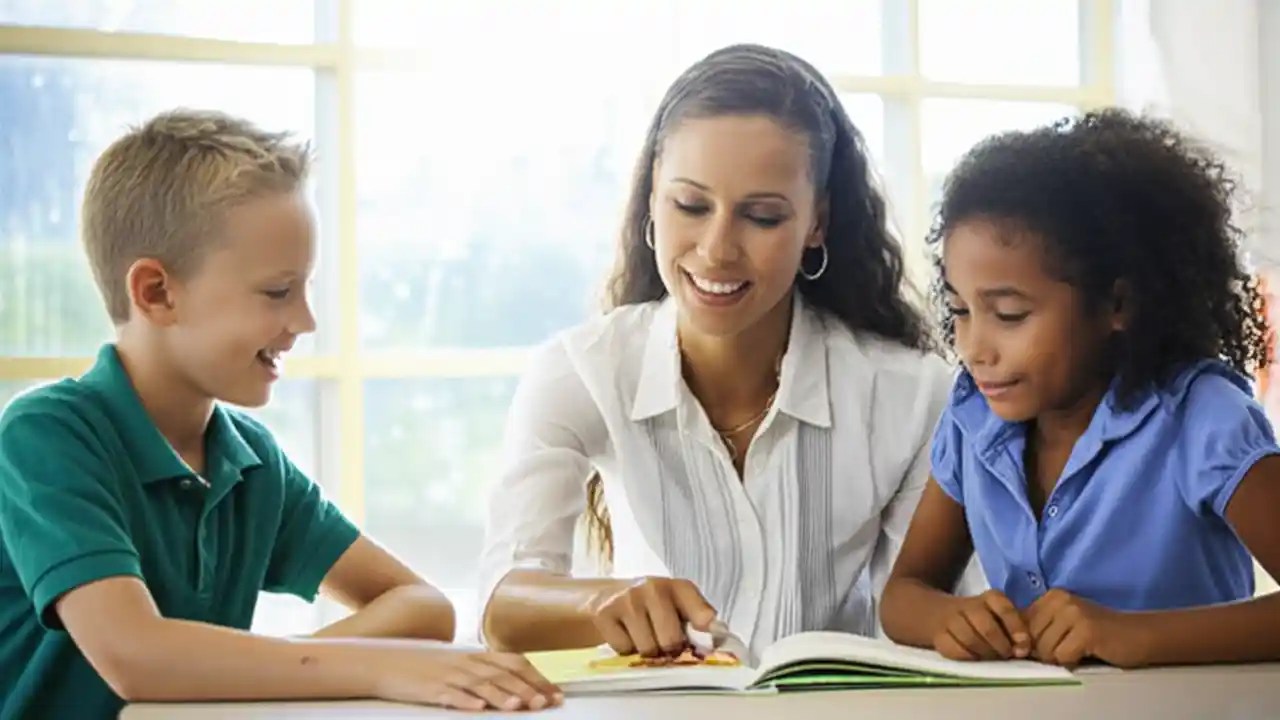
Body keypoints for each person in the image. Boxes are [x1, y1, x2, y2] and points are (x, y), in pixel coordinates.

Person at [0, 109, 558, 719]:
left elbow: (421, 605)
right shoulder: (47, 437)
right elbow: (135, 656)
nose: (305, 322)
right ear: (157, 293)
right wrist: (375, 666)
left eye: (305, 289)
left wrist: (263, 674)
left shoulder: (251, 460)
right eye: (276, 292)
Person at [479, 44, 975, 663]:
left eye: (762, 217)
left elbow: (924, 616)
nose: (717, 250)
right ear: (652, 199)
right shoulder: (580, 372)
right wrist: (602, 602)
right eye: (690, 206)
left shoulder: (914, 395)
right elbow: (501, 607)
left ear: (816, 222)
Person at [880, 108, 1280, 669]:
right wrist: (946, 618)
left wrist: (1133, 636)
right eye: (960, 310)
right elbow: (903, 594)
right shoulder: (974, 419)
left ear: (1117, 304)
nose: (974, 348)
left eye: (1010, 314)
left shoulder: (1202, 419)